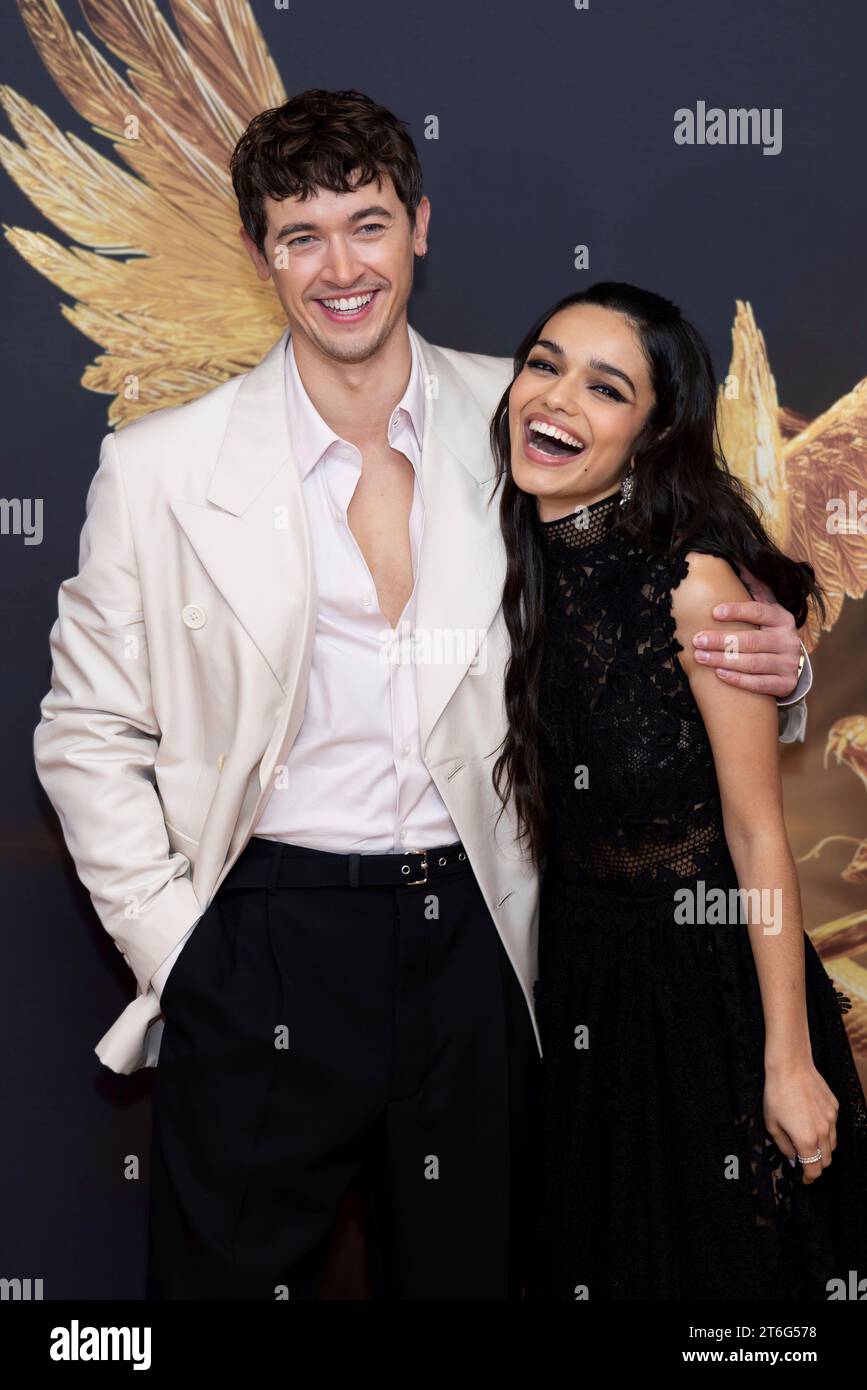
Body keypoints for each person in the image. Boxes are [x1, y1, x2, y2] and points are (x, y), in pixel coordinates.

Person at [33, 91, 809, 1300]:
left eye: (368, 223)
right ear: (257, 255)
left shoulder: (529, 416)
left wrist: (781, 669)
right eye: (301, 234)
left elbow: (653, 608)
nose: (340, 267)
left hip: (483, 941)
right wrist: (182, 957)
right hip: (264, 933)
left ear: (420, 228)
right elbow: (85, 729)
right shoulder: (160, 468)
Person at [490, 281, 867, 1300]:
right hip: (577, 976)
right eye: (543, 363)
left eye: (606, 387)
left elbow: (756, 839)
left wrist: (788, 1059)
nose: (557, 399)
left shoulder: (693, 585)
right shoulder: (510, 549)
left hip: (705, 986)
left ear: (654, 435)